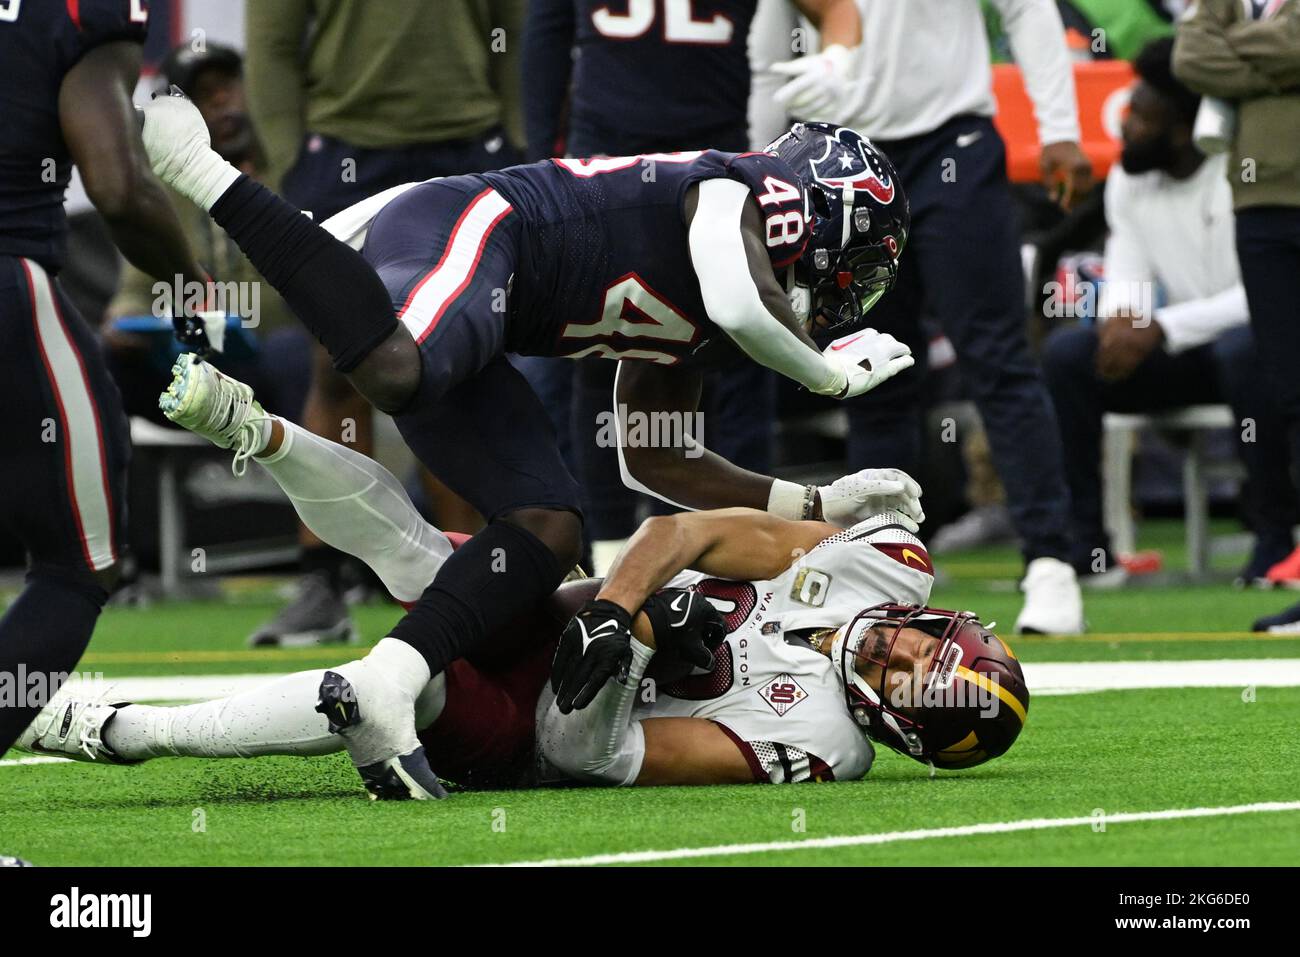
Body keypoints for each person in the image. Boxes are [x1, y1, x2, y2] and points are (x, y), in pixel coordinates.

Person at [137, 95, 923, 798]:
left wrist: (815, 502)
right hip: (481, 223)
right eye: (858, 266)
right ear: (825, 214)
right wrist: (828, 377)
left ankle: (390, 678)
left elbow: (656, 457)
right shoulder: (732, 190)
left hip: (486, 317)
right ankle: (206, 173)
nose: (853, 292)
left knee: (547, 524)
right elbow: (739, 301)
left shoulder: (731, 309)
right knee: (397, 371)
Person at [20, 370, 1028, 791]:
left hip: (540, 731)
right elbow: (681, 531)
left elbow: (593, 756)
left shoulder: (820, 748)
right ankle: (261, 433)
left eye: (905, 672)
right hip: (575, 620)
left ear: (897, 728)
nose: (898, 641)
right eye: (923, 638)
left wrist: (628, 658)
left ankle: (114, 727)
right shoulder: (882, 566)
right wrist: (624, 611)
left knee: (395, 687)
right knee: (433, 561)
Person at [520, 0, 865, 574]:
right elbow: (544, 45)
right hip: (614, 158)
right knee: (599, 354)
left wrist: (835, 57)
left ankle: (733, 541)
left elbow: (835, 9)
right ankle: (610, 551)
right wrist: (543, 164)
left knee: (730, 353)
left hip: (709, 167)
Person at [802, 0, 1096, 633]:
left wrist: (1060, 128)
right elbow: (770, 34)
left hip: (951, 142)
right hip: (839, 158)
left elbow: (1029, 11)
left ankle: (1051, 561)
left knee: (997, 357)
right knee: (870, 372)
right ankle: (880, 573)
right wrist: (756, 159)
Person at [243, 0, 525, 647]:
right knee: (336, 365)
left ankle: (468, 573)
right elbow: (272, 45)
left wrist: (512, 134)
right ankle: (323, 579)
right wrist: (291, 160)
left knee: (458, 361)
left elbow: (516, 30)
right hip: (344, 149)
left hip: (466, 143)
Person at [0, 0, 209, 760]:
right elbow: (118, 185)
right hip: (8, 281)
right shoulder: (80, 10)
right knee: (75, 563)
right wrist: (190, 274)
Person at [1042, 37, 1294, 585]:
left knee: (1245, 349)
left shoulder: (1241, 172)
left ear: (1182, 129)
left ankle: (1275, 543)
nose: (1125, 126)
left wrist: (1160, 327)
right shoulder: (1131, 179)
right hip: (1182, 355)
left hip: (1257, 354)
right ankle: (1086, 550)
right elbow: (1127, 274)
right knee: (1068, 355)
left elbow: (1263, 295)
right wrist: (1120, 322)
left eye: (1138, 116)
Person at [1172, 0, 1300, 629]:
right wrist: (1278, 57)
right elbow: (1190, 55)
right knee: (1291, 393)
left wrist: (1237, 47)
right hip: (1259, 202)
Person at [106, 43, 308, 426]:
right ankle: (108, 482)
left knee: (293, 353)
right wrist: (123, 323)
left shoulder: (289, 172)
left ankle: (310, 480)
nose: (220, 100)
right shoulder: (164, 186)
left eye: (228, 86)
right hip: (194, 370)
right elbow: (134, 292)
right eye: (202, 94)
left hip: (270, 361)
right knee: (108, 359)